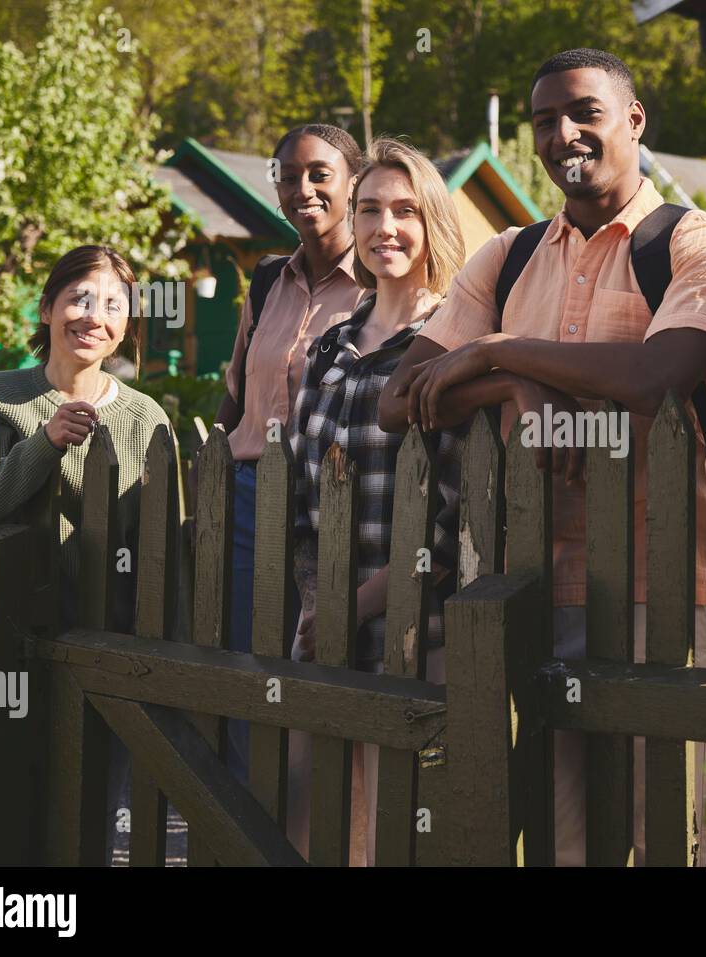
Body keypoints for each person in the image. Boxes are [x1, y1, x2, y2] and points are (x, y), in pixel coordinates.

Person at [377, 48, 706, 867]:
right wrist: (513, 388)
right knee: (558, 837)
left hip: (669, 582)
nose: (563, 134)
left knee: (663, 836)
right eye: (545, 121)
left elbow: (658, 377)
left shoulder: (699, 240)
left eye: (585, 112)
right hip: (536, 582)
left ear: (636, 121)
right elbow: (396, 400)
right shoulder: (505, 255)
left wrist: (499, 350)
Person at [287, 137, 466, 865]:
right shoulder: (327, 347)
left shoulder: (454, 341)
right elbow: (299, 501)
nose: (384, 227)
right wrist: (313, 601)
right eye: (368, 210)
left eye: (404, 210)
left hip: (416, 630)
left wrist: (354, 602)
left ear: (433, 225)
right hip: (319, 627)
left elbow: (453, 522)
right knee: (321, 831)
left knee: (405, 833)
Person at [212, 123, 367, 783]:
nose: (301, 188)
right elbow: (236, 385)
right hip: (246, 499)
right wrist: (213, 466)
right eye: (287, 175)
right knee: (247, 667)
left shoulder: (382, 277)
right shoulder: (267, 279)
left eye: (319, 174)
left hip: (335, 504)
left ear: (353, 181)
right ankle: (249, 828)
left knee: (319, 667)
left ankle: (317, 834)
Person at [0, 244, 172, 629]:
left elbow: (160, 551)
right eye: (80, 300)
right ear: (47, 309)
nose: (95, 318)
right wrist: (44, 443)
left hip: (111, 641)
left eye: (114, 307)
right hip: (8, 633)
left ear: (126, 328)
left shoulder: (147, 419)